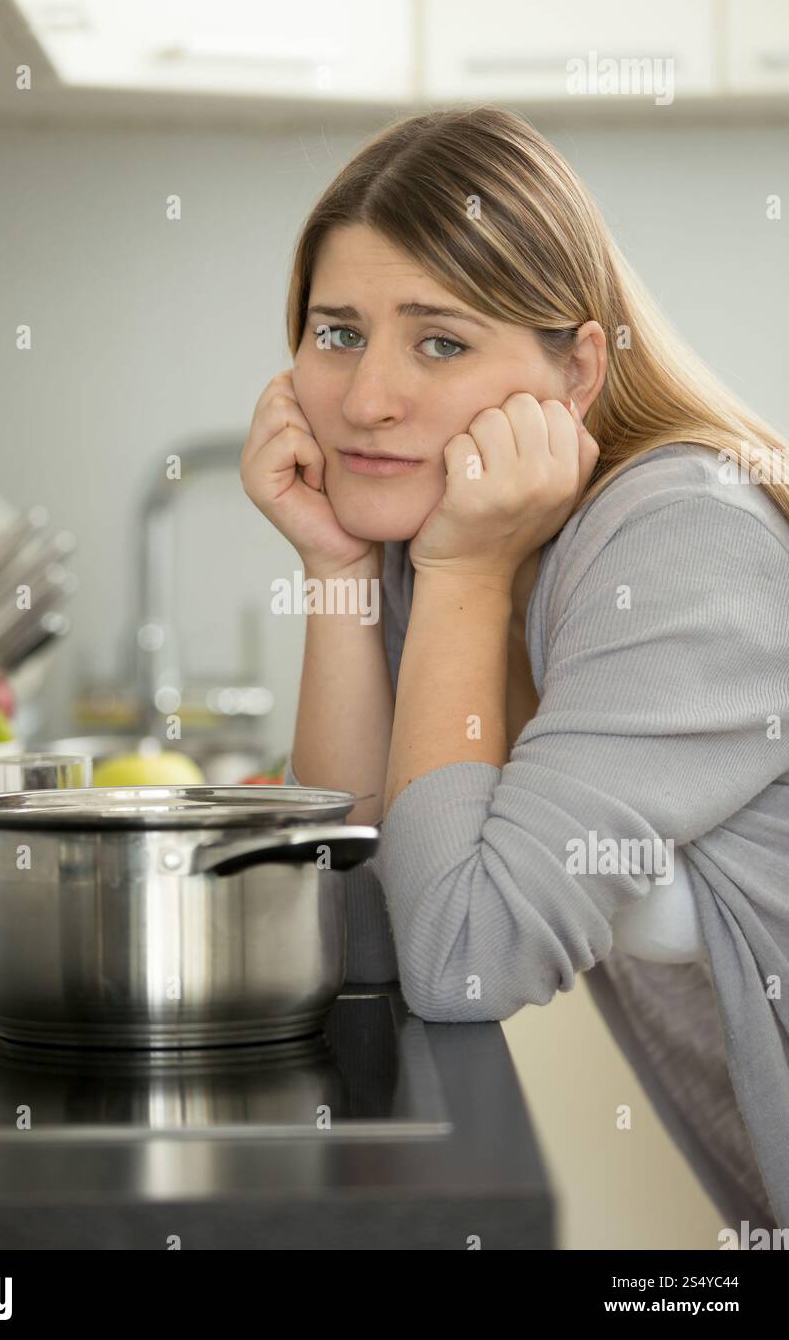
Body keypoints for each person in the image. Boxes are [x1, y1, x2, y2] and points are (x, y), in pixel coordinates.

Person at [240, 106, 789, 1234]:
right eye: (336, 332)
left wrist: (463, 576)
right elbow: (363, 920)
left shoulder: (685, 536)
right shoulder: (449, 529)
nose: (365, 397)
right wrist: (338, 569)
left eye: (439, 340)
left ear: (578, 369)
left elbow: (462, 955)